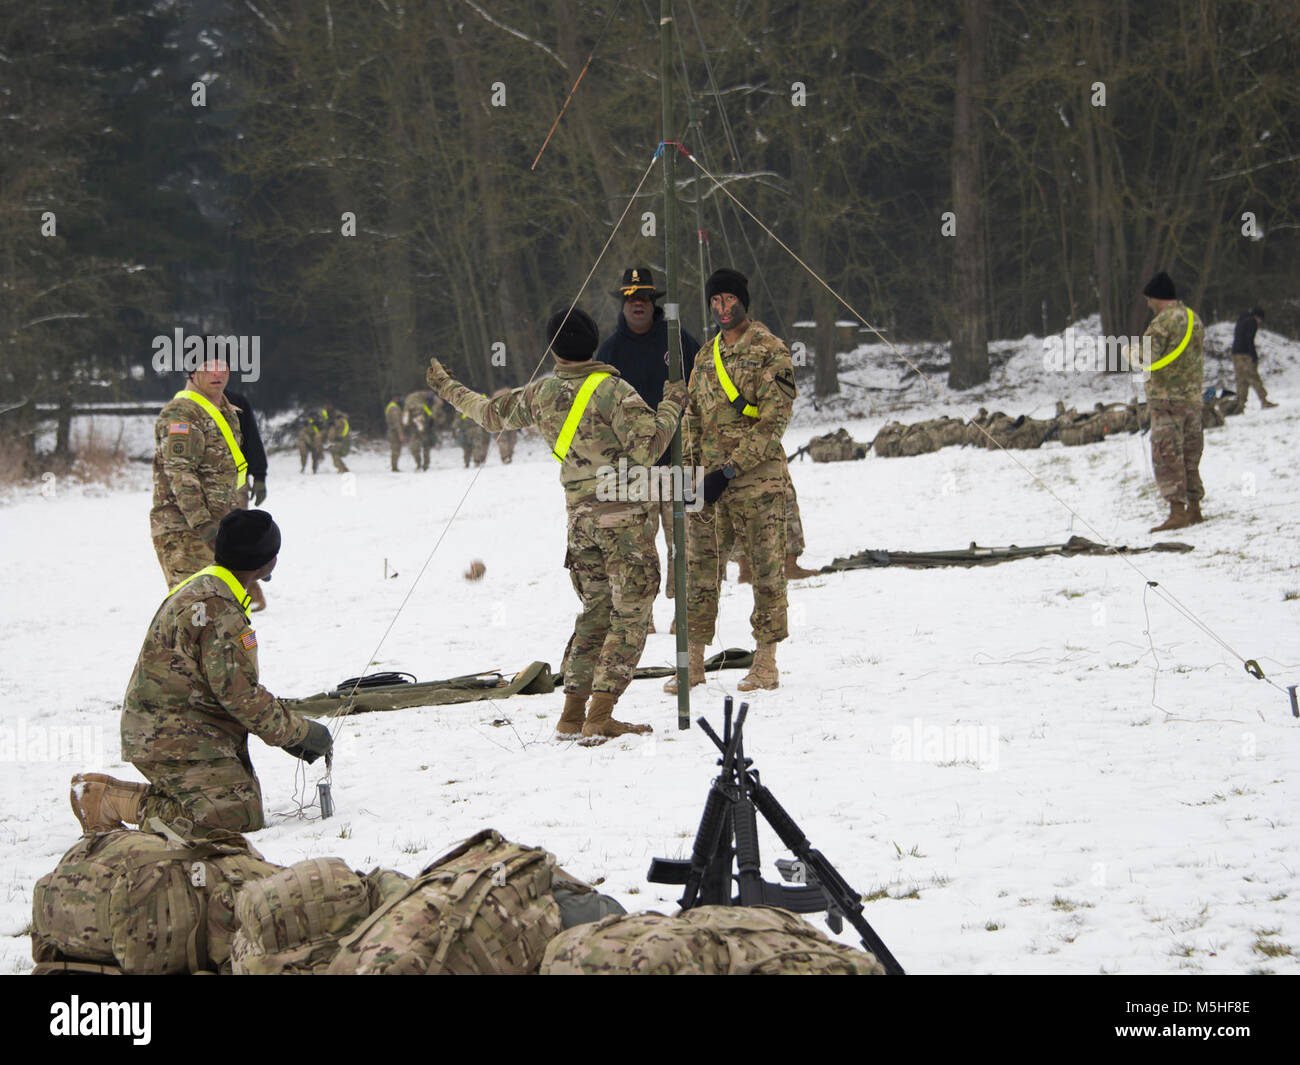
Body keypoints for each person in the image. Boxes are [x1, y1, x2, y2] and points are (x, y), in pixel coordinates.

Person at [426, 308, 684, 745]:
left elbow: (488, 414)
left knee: (595, 614)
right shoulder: (614, 390)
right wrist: (673, 404)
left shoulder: (540, 394)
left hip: (580, 523)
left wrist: (446, 386)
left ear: (553, 348)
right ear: (594, 343)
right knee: (631, 615)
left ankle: (571, 715)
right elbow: (648, 449)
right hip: (623, 523)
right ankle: (600, 716)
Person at [69, 510, 331, 836]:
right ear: (264, 562)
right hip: (171, 734)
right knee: (231, 818)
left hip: (184, 726)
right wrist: (299, 734)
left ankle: (170, 794)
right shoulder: (219, 608)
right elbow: (240, 695)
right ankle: (108, 799)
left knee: (243, 803)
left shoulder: (210, 585)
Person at [671, 268, 796, 694]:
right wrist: (692, 471)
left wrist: (729, 470)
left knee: (766, 570)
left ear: (744, 300)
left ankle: (766, 662)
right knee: (699, 572)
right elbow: (692, 418)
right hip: (709, 487)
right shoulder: (706, 356)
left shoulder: (770, 351)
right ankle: (693, 662)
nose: (723, 308)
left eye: (729, 300)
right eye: (716, 301)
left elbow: (772, 424)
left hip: (757, 484)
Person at [595, 267, 699, 631]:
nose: (637, 304)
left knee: (686, 542)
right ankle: (643, 618)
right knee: (635, 548)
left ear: (653, 302)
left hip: (680, 462)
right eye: (630, 298)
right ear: (622, 304)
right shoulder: (609, 352)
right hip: (631, 469)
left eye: (643, 298)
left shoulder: (678, 340)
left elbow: (702, 383)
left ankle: (685, 617)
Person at [150, 356, 247, 590]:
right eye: (209, 368)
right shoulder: (181, 413)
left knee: (223, 607)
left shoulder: (226, 412)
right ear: (192, 372)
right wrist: (204, 526)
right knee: (196, 606)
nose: (217, 373)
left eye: (222, 367)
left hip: (221, 532)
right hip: (187, 533)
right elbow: (180, 472)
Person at [1141, 271, 1206, 532]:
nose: (1148, 304)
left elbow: (1147, 358)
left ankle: (1177, 512)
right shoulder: (1193, 318)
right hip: (1192, 398)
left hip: (1166, 400)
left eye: (1149, 300)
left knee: (1167, 454)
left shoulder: (1161, 323)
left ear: (1157, 298)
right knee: (1190, 453)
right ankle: (1195, 508)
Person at [1230, 306, 1277, 413]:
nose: (1260, 322)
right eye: (1261, 319)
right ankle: (1264, 401)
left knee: (1241, 380)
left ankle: (1240, 406)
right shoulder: (1252, 322)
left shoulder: (1241, 319)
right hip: (1245, 355)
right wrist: (1254, 356)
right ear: (1258, 317)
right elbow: (1249, 340)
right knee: (1253, 377)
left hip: (1235, 354)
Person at [297, 406, 329, 473]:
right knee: (303, 453)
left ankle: (314, 468)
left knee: (315, 454)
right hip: (306, 439)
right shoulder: (306, 421)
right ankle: (303, 467)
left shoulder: (320, 421)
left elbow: (324, 427)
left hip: (315, 440)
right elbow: (302, 432)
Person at [326, 405, 351, 473]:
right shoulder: (335, 423)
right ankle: (342, 468)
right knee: (334, 453)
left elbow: (345, 430)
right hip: (338, 441)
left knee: (335, 453)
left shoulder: (341, 421)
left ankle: (342, 468)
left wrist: (341, 436)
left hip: (343, 441)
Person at [385, 394, 407, 472]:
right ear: (395, 399)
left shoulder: (392, 406)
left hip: (394, 431)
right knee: (395, 449)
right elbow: (397, 423)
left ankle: (395, 467)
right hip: (394, 432)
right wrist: (400, 434)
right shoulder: (393, 408)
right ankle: (394, 468)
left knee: (396, 449)